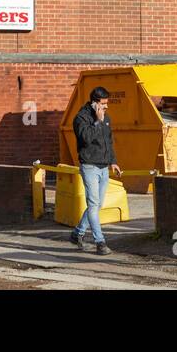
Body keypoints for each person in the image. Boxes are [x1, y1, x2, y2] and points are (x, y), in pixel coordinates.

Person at [70, 85, 122, 255]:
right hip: (89, 166)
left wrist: (113, 162)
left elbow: (109, 142)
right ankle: (100, 242)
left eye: (107, 103)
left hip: (103, 167)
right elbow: (85, 139)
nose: (106, 107)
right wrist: (97, 121)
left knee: (97, 204)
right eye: (103, 103)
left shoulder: (106, 118)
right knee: (93, 204)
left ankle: (77, 233)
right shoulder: (81, 118)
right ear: (94, 103)